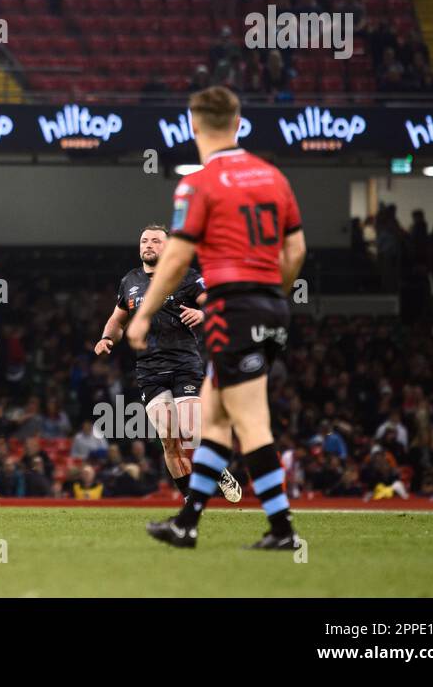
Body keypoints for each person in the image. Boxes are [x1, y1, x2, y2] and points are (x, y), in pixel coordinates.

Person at [129, 87, 306, 551]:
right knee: (216, 418)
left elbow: (177, 258)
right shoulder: (273, 177)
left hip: (235, 311)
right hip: (271, 309)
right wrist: (272, 294)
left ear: (193, 125)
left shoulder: (199, 183)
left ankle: (283, 530)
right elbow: (297, 251)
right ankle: (187, 523)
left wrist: (143, 314)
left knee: (249, 423)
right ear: (238, 121)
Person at [95, 225, 242, 504]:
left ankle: (219, 470)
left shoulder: (185, 276)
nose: (148, 244)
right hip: (149, 370)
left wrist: (203, 313)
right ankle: (191, 500)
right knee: (169, 440)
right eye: (144, 240)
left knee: (190, 430)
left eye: (155, 240)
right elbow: (117, 320)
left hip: (183, 363)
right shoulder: (130, 280)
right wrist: (106, 338)